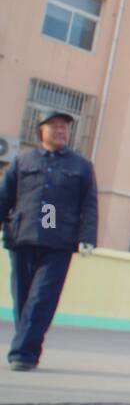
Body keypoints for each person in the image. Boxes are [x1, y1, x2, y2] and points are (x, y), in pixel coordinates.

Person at [0, 113, 98, 371]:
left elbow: (89, 205)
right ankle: (29, 347)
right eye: (54, 126)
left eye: (64, 127)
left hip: (58, 242)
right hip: (23, 237)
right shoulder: (23, 161)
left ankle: (22, 353)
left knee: (42, 298)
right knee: (22, 297)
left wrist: (88, 237)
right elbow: (4, 197)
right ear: (40, 131)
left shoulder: (82, 166)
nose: (60, 131)